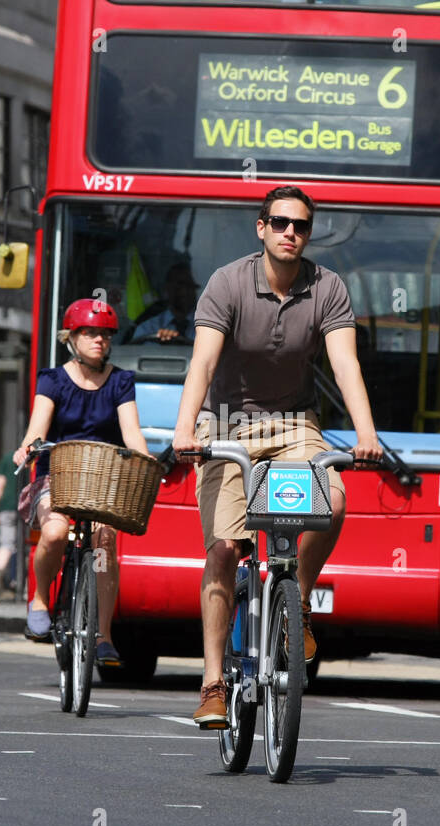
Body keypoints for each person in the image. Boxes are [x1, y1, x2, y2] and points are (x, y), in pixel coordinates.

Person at [171, 185, 383, 728]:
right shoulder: (227, 283)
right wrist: (183, 430)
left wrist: (366, 434)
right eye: (282, 222)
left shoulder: (327, 287)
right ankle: (213, 683)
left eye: (302, 226)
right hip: (225, 425)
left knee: (332, 502)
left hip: (294, 425)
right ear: (260, 227)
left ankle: (297, 605)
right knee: (224, 549)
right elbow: (201, 364)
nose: (292, 232)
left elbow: (345, 366)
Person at [12, 298, 151, 667]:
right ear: (71, 338)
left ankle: (103, 635)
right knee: (55, 533)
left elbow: (132, 435)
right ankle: (40, 599)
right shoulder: (52, 380)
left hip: (104, 480)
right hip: (56, 475)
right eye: (90, 333)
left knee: (105, 541)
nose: (99, 340)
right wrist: (27, 449)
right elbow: (36, 431)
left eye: (105, 335)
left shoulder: (121, 381)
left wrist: (146, 458)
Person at [123, 263, 200, 343]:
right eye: (178, 286)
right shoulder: (147, 328)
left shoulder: (206, 328)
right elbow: (133, 352)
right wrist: (162, 348)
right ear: (167, 289)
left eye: (189, 286)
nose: (184, 292)